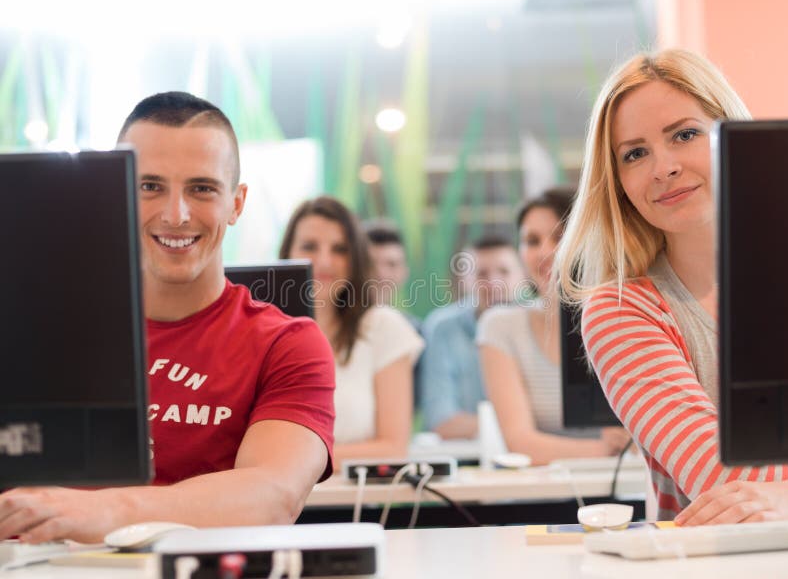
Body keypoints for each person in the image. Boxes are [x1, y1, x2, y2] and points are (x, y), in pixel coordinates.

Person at [0, 92, 336, 544]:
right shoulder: (32, 332)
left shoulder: (287, 343)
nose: (176, 215)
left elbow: (272, 494)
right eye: (149, 186)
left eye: (201, 188)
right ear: (113, 197)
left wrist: (106, 510)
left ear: (236, 204)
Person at [555, 49, 788, 522]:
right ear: (619, 183)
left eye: (685, 134)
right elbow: (723, 479)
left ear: (731, 135)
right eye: (635, 154)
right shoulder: (623, 311)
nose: (662, 167)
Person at [477, 188, 631, 464]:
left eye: (560, 236)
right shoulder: (500, 326)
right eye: (532, 241)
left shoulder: (627, 318)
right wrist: (607, 452)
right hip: (543, 495)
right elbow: (520, 443)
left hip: (630, 488)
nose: (545, 252)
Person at [280, 196, 423, 468]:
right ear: (287, 253)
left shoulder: (383, 328)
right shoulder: (260, 331)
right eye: (309, 246)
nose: (324, 261)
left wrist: (294, 461)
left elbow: (393, 448)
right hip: (269, 503)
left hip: (354, 503)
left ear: (355, 259)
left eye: (340, 249)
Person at [418, 235, 526, 439]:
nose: (494, 283)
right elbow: (441, 420)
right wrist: (520, 426)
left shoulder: (537, 323)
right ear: (464, 281)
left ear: (522, 276)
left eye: (504, 272)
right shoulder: (442, 328)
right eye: (482, 274)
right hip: (462, 456)